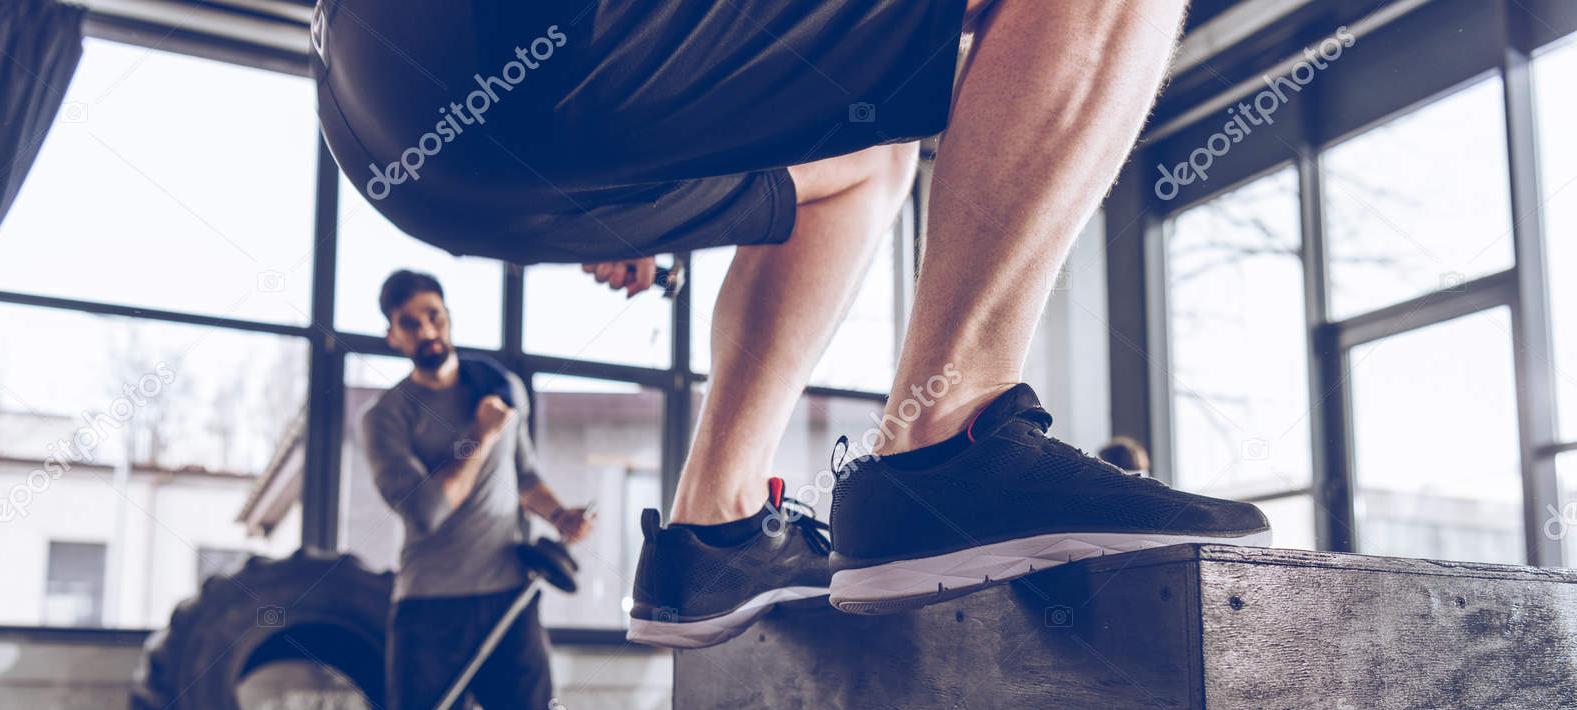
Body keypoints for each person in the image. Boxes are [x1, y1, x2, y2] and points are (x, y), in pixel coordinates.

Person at [315, 0, 1270, 651]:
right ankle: (952, 441)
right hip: (522, 48)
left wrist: (650, 189)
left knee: (867, 152)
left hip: (404, 122)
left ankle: (713, 534)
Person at [357, 269, 596, 710]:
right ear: (392, 335)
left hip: (508, 602)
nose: (426, 330)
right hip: (428, 608)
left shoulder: (497, 397)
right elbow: (429, 509)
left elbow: (522, 476)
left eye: (434, 315)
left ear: (448, 316)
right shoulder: (386, 419)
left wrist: (559, 515)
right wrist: (478, 436)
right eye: (410, 322)